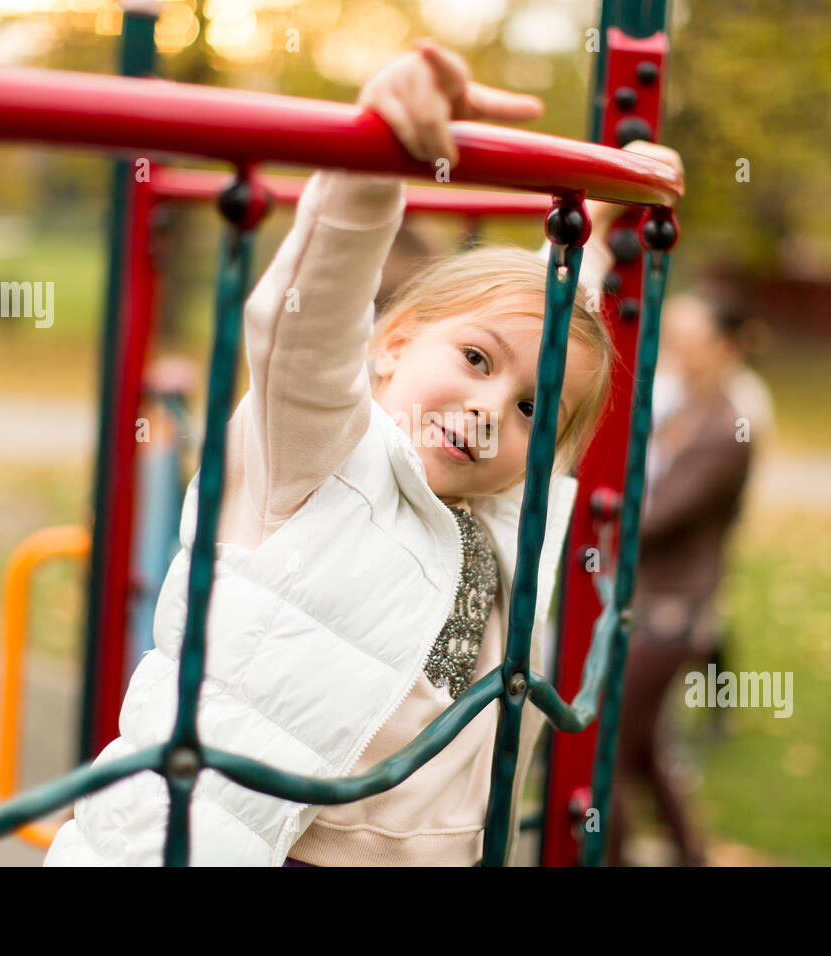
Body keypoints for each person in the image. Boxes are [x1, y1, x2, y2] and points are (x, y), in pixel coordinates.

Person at [44, 39, 683, 866]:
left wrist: (587, 236)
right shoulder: (324, 456)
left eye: (531, 410)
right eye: (474, 360)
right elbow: (303, 333)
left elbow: (550, 340)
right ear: (391, 346)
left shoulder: (494, 515)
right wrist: (369, 165)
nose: (489, 409)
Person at [606, 293, 753, 867]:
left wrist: (600, 513)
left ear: (723, 349)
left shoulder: (727, 430)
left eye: (690, 343)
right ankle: (691, 855)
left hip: (672, 610)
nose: (678, 353)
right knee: (641, 748)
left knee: (609, 749)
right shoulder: (678, 409)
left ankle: (604, 856)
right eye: (675, 341)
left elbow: (659, 516)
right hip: (647, 596)